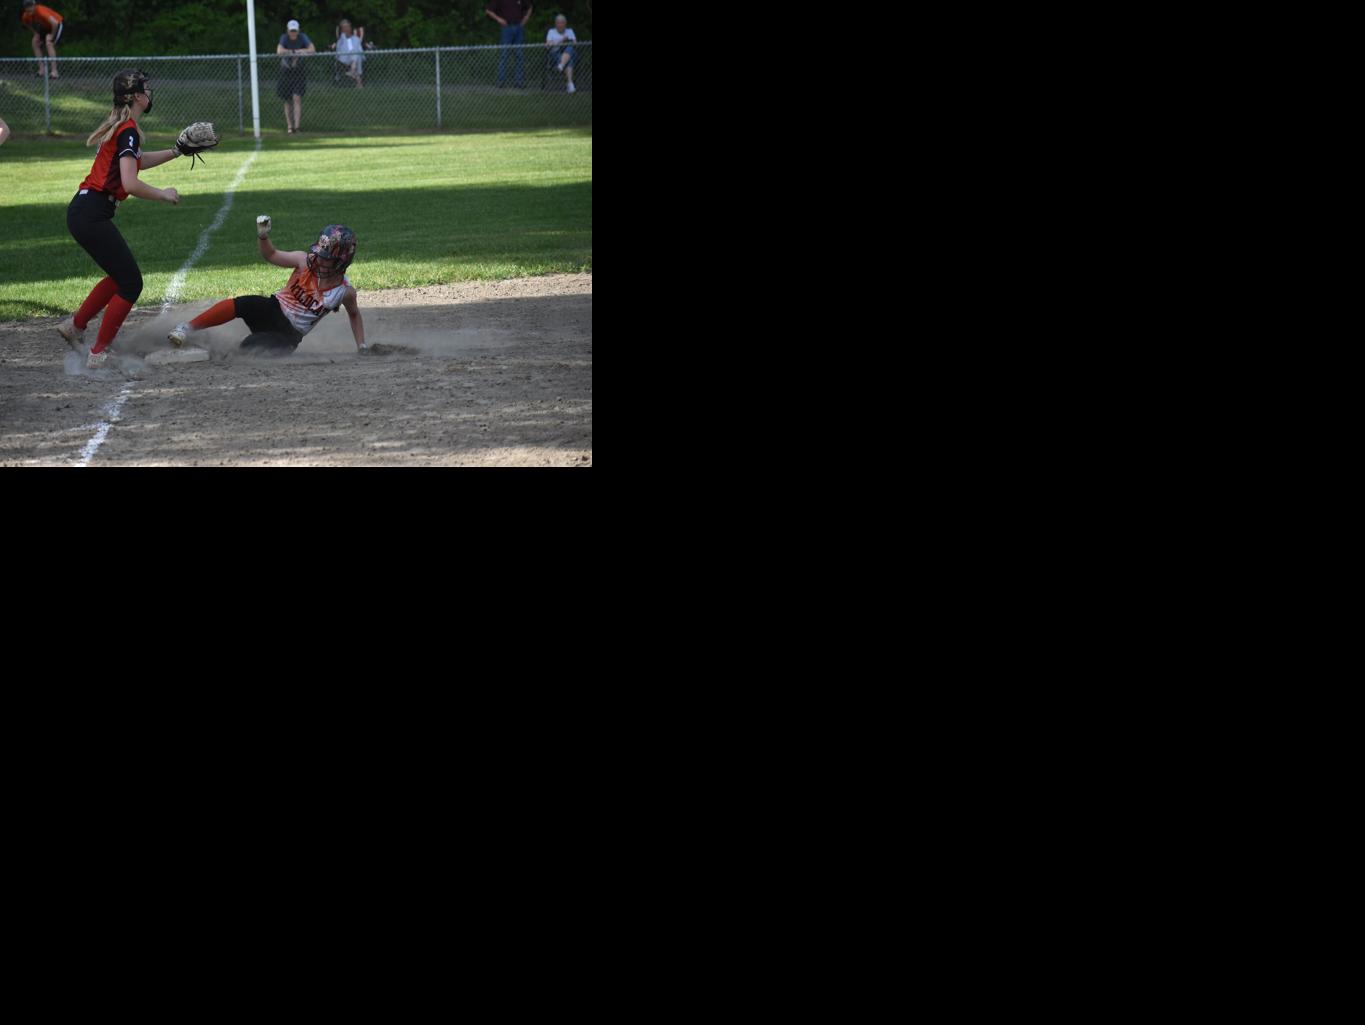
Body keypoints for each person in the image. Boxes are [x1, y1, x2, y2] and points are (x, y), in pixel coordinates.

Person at [57, 70, 187, 370]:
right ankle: (99, 352)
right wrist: (163, 194)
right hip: (90, 213)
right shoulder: (127, 130)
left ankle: (75, 326)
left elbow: (137, 161)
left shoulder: (124, 128)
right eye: (147, 89)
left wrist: (176, 151)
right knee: (131, 283)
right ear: (138, 96)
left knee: (119, 276)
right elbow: (130, 183)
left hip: (84, 210)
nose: (150, 94)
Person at [168, 219, 367, 357]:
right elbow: (270, 255)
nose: (320, 261)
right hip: (273, 308)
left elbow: (355, 315)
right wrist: (263, 236)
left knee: (251, 347)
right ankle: (186, 328)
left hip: (288, 336)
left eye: (327, 259)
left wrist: (362, 346)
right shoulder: (304, 262)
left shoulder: (344, 291)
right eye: (320, 254)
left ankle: (227, 352)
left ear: (342, 261)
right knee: (244, 303)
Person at [276, 19, 315, 134]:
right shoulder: (284, 38)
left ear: (298, 31)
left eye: (295, 31)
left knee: (296, 98)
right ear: (288, 31)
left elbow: (312, 50)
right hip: (286, 72)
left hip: (299, 72)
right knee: (288, 100)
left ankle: (297, 127)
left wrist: (297, 52)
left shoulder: (303, 37)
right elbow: (279, 51)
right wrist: (294, 52)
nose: (293, 33)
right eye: (291, 31)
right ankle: (290, 126)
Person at [486, 1, 533, 89]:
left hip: (519, 28)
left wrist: (526, 18)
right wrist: (498, 19)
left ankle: (519, 82)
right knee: (504, 55)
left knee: (519, 55)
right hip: (506, 28)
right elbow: (489, 11)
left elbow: (530, 7)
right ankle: (501, 82)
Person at [20, 1, 64, 79]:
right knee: (35, 42)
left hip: (57, 24)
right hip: (45, 26)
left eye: (30, 6)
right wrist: (35, 33)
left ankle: (54, 72)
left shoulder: (40, 11)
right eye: (27, 7)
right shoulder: (25, 15)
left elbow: (55, 23)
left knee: (48, 42)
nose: (29, 9)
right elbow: (27, 24)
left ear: (34, 5)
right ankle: (42, 70)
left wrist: (52, 36)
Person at [545, 14, 577, 94]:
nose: (560, 25)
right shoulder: (551, 31)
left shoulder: (570, 31)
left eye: (562, 23)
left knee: (570, 47)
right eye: (558, 23)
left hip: (569, 53)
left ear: (565, 23)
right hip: (555, 54)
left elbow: (575, 44)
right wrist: (561, 40)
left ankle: (561, 65)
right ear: (555, 24)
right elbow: (548, 45)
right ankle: (570, 84)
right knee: (569, 60)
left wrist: (568, 41)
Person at [331, 19, 364, 88]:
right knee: (356, 55)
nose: (346, 29)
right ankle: (359, 82)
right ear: (341, 30)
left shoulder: (356, 39)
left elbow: (360, 50)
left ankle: (353, 71)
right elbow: (339, 52)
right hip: (344, 59)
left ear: (350, 28)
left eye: (347, 27)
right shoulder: (341, 39)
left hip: (356, 58)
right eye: (344, 27)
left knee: (356, 55)